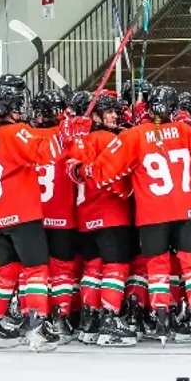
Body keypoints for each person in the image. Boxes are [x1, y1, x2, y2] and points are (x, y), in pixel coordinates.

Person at [84, 84, 191, 345]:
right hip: (187, 210)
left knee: (157, 267)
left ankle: (162, 320)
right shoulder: (186, 131)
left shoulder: (135, 135)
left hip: (152, 213)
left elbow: (102, 172)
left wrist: (80, 167)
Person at [0, 76, 63, 351]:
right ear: (13, 106)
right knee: (36, 270)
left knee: (7, 271)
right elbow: (47, 153)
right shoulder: (16, 132)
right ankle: (38, 327)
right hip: (22, 215)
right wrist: (67, 132)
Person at [66, 92, 137, 346]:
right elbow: (113, 177)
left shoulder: (76, 141)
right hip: (111, 213)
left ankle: (90, 321)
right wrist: (127, 192)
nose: (115, 116)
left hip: (85, 216)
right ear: (95, 115)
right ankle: (110, 320)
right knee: (116, 267)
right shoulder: (108, 139)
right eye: (109, 112)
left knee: (93, 269)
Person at [29, 89, 81, 340]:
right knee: (62, 271)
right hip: (62, 215)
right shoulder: (64, 137)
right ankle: (60, 319)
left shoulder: (24, 136)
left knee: (35, 271)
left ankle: (34, 317)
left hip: (32, 217)